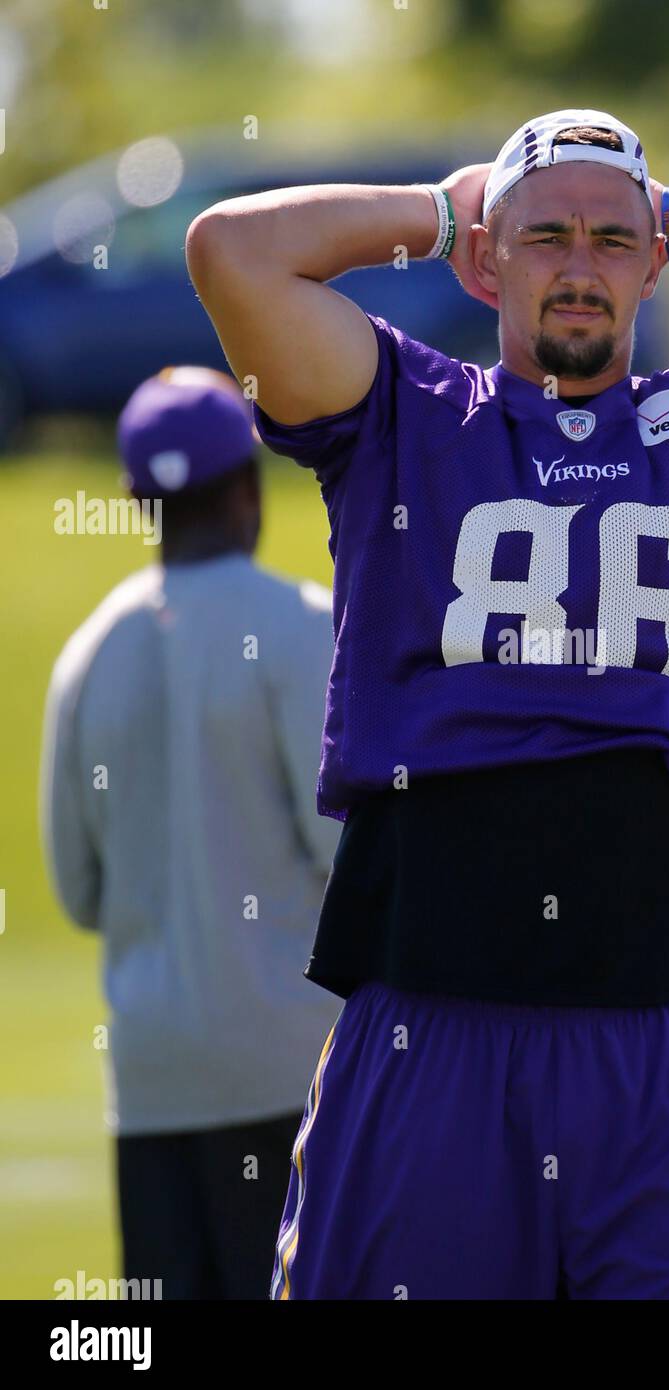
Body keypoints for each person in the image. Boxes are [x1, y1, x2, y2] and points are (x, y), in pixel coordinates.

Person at [184, 108, 669, 1300]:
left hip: (664, 1024)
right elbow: (230, 250)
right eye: (546, 237)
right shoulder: (404, 410)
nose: (582, 268)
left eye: (613, 240)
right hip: (430, 1011)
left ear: (653, 260)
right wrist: (441, 208)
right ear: (488, 259)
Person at [39, 367, 341, 1299]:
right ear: (248, 485)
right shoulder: (303, 628)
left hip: (152, 1082)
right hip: (295, 1077)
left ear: (138, 501)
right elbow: (348, 857)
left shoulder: (87, 654)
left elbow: (76, 891)